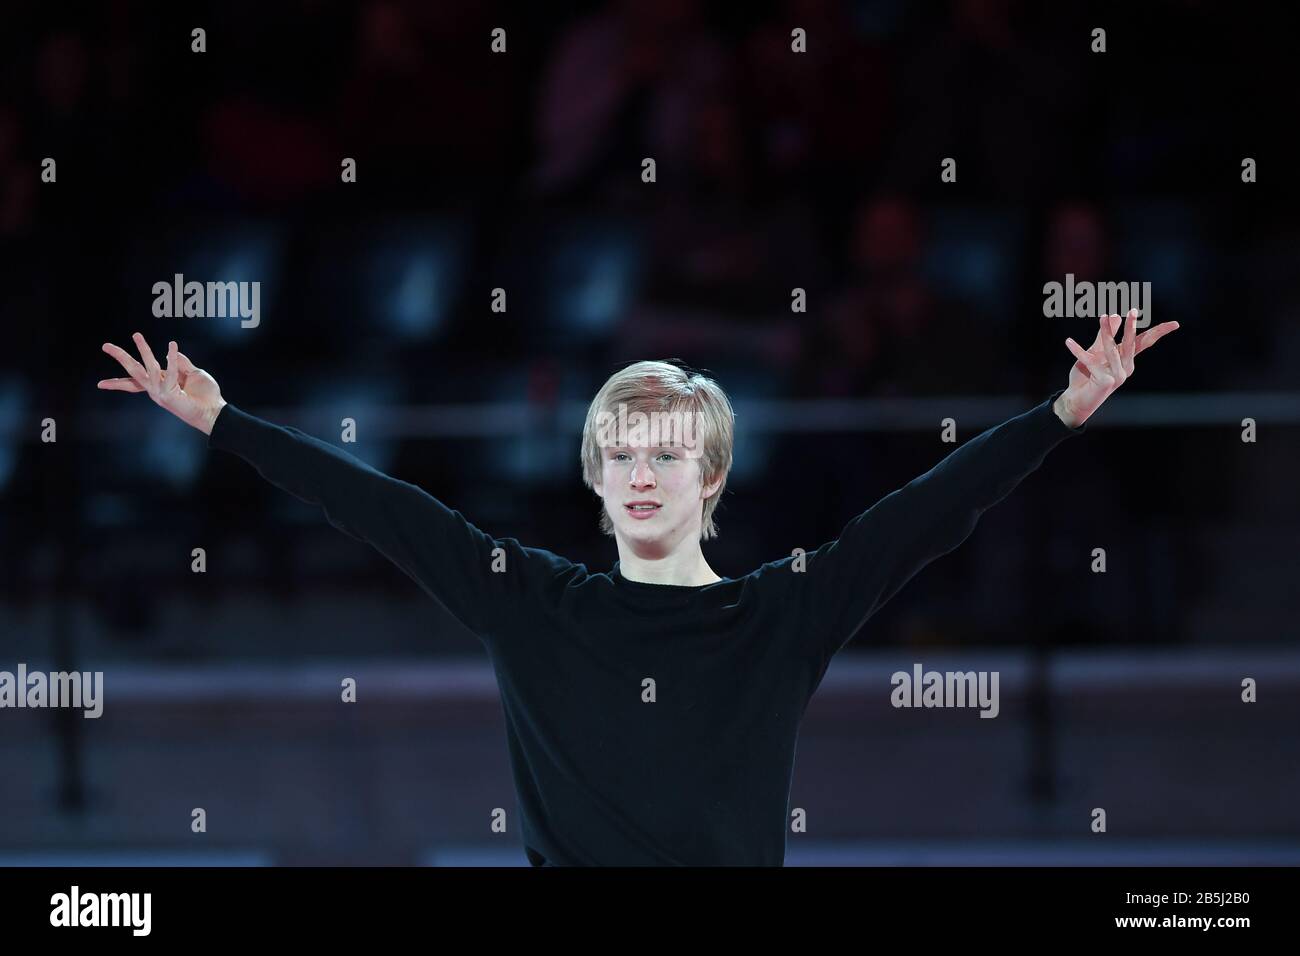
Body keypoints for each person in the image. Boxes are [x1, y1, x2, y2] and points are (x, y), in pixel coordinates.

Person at [98, 310, 1177, 865]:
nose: (644, 472)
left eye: (667, 453)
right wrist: (223, 423)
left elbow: (925, 513)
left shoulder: (780, 611)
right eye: (623, 453)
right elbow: (380, 507)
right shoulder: (530, 600)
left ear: (708, 476)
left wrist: (1061, 413)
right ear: (597, 478)